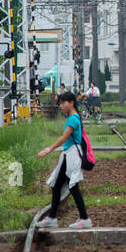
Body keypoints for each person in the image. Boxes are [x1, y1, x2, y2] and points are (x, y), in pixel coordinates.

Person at [37, 91, 92, 229]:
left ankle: (84, 219)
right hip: (68, 154)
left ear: (71, 102)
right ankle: (52, 218)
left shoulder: (73, 118)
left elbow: (64, 137)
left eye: (63, 103)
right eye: (60, 103)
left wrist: (48, 150)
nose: (61, 106)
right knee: (57, 186)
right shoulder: (73, 117)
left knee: (72, 186)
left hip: (72, 155)